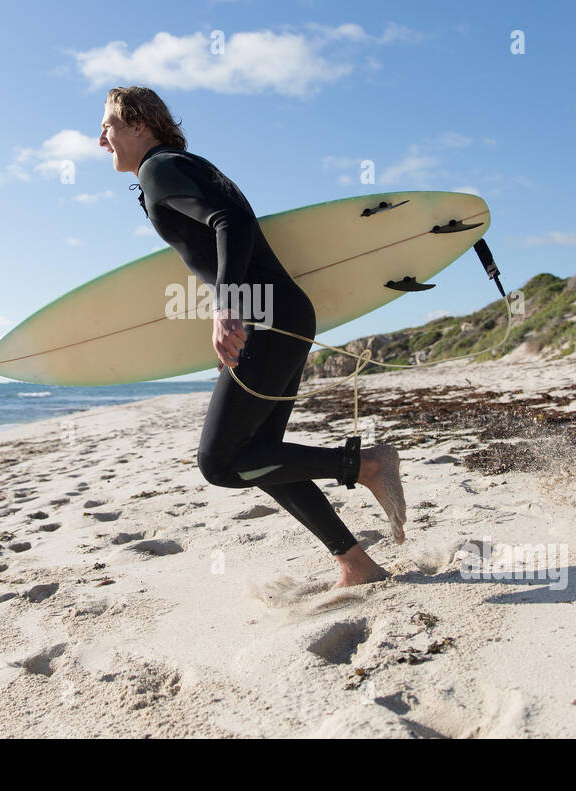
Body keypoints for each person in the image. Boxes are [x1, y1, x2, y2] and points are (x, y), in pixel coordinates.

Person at [98, 86, 406, 588]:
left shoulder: (159, 168)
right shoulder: (181, 164)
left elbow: (232, 221)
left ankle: (367, 464)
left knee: (219, 462)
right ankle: (356, 563)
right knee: (262, 453)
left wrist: (226, 305)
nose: (100, 139)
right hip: (277, 318)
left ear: (138, 124)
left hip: (268, 320)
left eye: (107, 125)